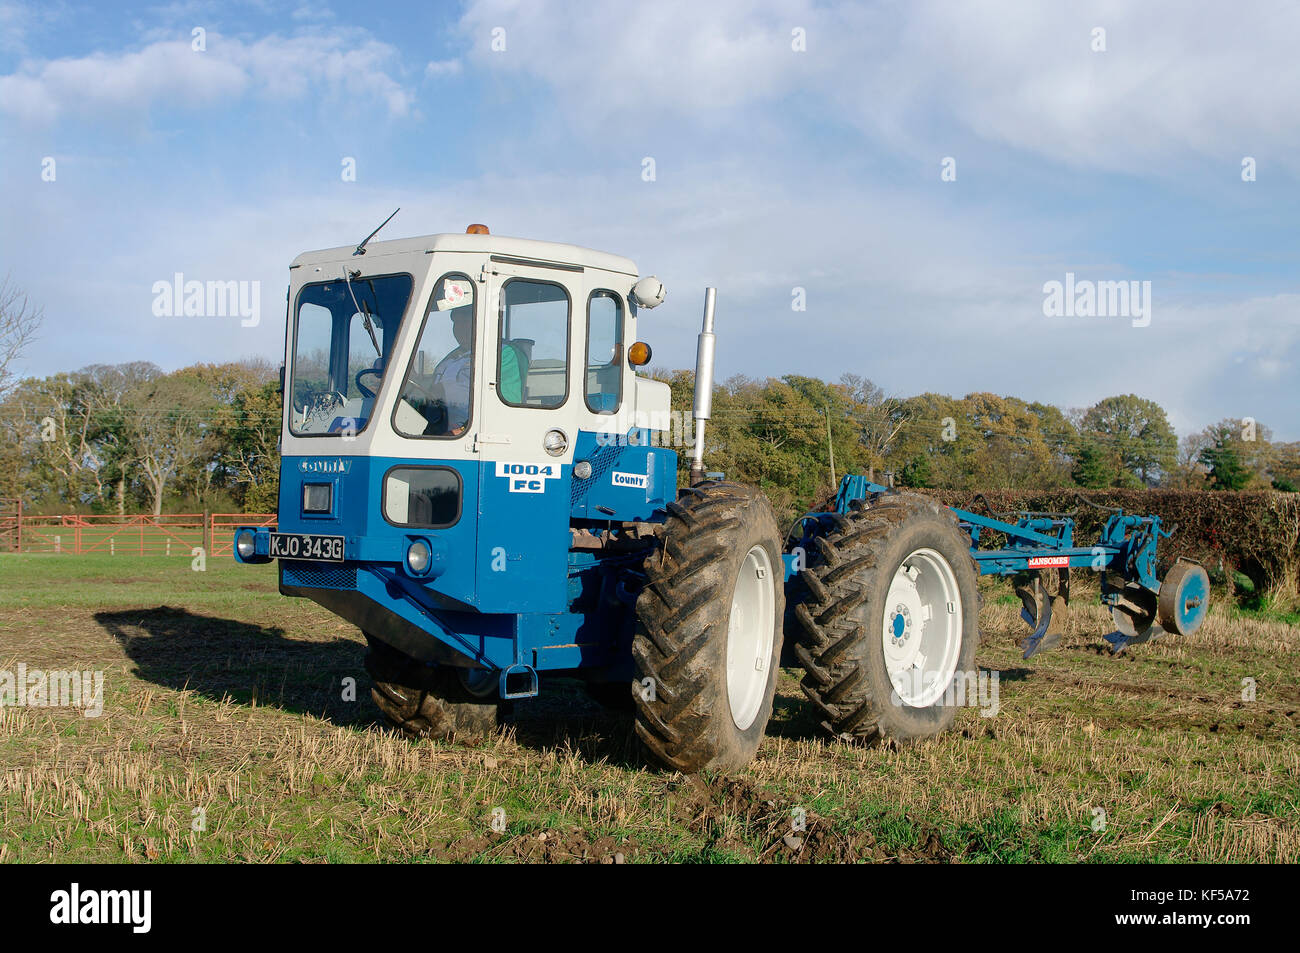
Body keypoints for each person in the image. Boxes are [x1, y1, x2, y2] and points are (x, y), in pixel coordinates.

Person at [427, 308, 525, 435]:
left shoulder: (504, 353)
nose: (459, 328)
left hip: (469, 436)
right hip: (438, 428)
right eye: (456, 322)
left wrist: (462, 431)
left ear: (480, 321)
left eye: (465, 321)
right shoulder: (449, 359)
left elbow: (502, 407)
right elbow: (426, 395)